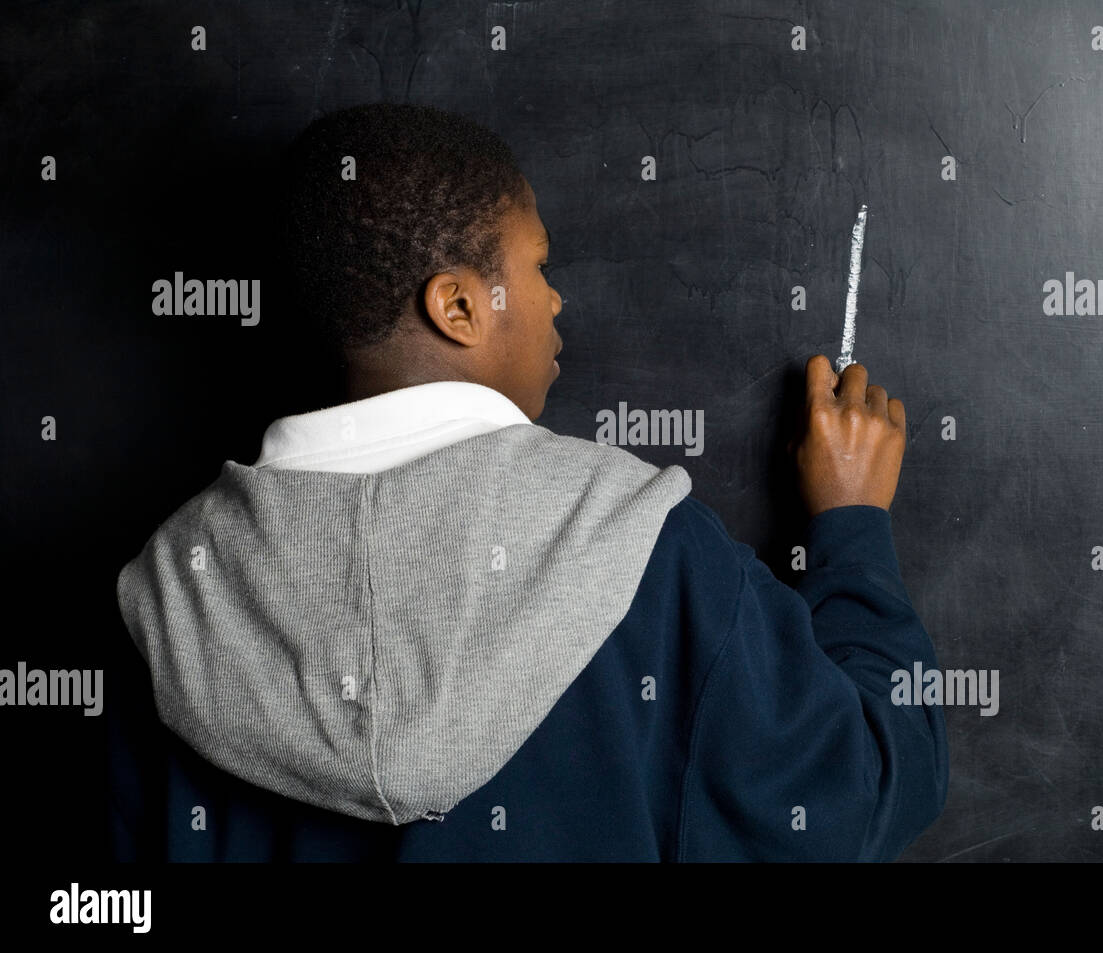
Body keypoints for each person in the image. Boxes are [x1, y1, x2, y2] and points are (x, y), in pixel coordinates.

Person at [110, 102, 947, 861]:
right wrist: (852, 525)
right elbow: (861, 793)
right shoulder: (647, 556)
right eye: (540, 265)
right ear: (458, 307)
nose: (556, 299)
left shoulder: (161, 605)